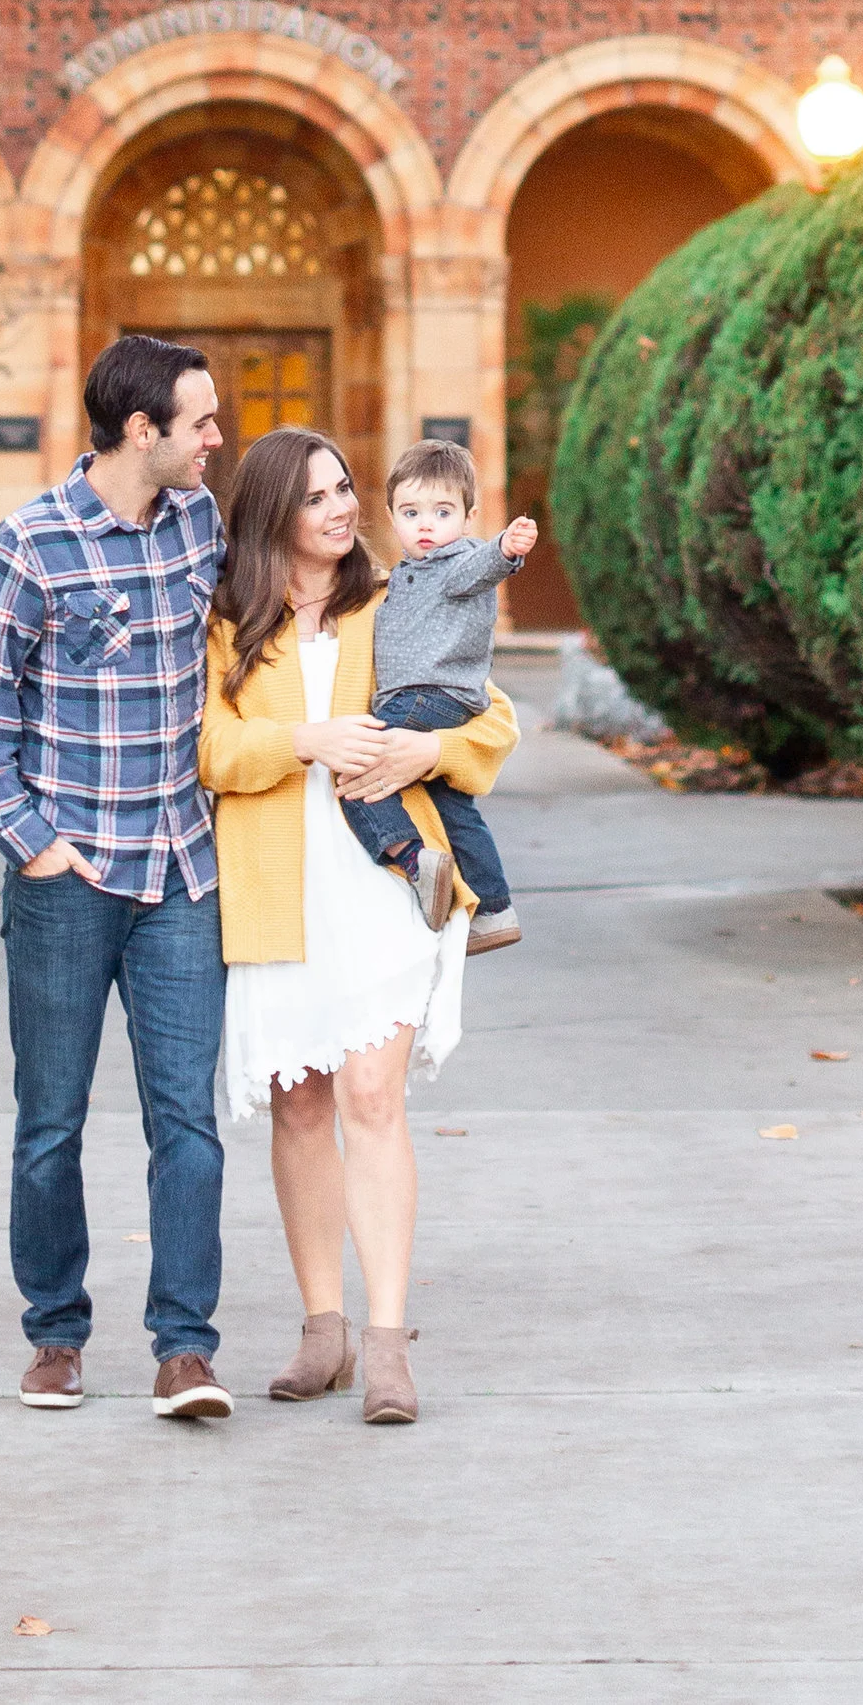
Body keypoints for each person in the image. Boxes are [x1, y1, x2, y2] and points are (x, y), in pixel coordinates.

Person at [199, 424, 516, 1428]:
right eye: (318, 496)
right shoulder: (228, 620)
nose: (343, 509)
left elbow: (489, 716)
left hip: (390, 879)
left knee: (372, 1098)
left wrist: (427, 752)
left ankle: (386, 1343)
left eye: (346, 490)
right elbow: (209, 744)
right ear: (271, 516)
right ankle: (320, 1328)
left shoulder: (401, 598)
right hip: (275, 880)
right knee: (299, 1106)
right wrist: (305, 740)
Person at [0, 332, 233, 1424]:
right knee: (51, 1121)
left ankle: (184, 1350)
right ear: (140, 429)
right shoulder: (29, 545)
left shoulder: (202, 521)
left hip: (181, 872)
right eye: (199, 422)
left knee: (187, 1125)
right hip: (67, 879)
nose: (216, 439)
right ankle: (56, 1334)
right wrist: (33, 845)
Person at [337, 437, 536, 952]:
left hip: (428, 697)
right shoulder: (406, 573)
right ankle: (494, 909)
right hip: (437, 700)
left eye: (443, 512)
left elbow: (481, 567)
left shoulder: (456, 562)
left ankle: (412, 859)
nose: (427, 525)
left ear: (469, 518)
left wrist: (506, 548)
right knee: (454, 807)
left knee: (357, 773)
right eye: (412, 512)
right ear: (391, 515)